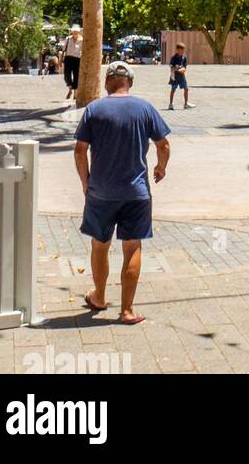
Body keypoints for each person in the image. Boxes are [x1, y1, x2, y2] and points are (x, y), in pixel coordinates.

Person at [73, 60, 171, 325]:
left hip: (101, 192)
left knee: (99, 245)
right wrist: (160, 168)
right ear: (130, 82)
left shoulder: (94, 109)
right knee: (132, 247)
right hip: (136, 192)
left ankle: (99, 297)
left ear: (107, 82)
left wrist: (86, 181)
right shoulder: (145, 108)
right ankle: (127, 310)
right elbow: (163, 144)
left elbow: (80, 150)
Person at [167, 42, 193, 111]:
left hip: (182, 76)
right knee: (173, 90)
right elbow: (171, 67)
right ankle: (170, 104)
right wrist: (177, 68)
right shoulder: (173, 57)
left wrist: (183, 69)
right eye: (181, 50)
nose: (182, 51)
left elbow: (184, 67)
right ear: (177, 50)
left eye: (183, 50)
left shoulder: (184, 58)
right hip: (175, 77)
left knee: (186, 89)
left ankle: (186, 103)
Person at [63, 23, 83, 101]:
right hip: (68, 58)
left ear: (79, 32)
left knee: (76, 76)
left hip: (77, 59)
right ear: (72, 31)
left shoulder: (82, 40)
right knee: (66, 76)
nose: (75, 33)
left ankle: (75, 94)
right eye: (74, 31)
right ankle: (70, 88)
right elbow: (63, 50)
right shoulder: (68, 39)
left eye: (76, 31)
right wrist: (60, 60)